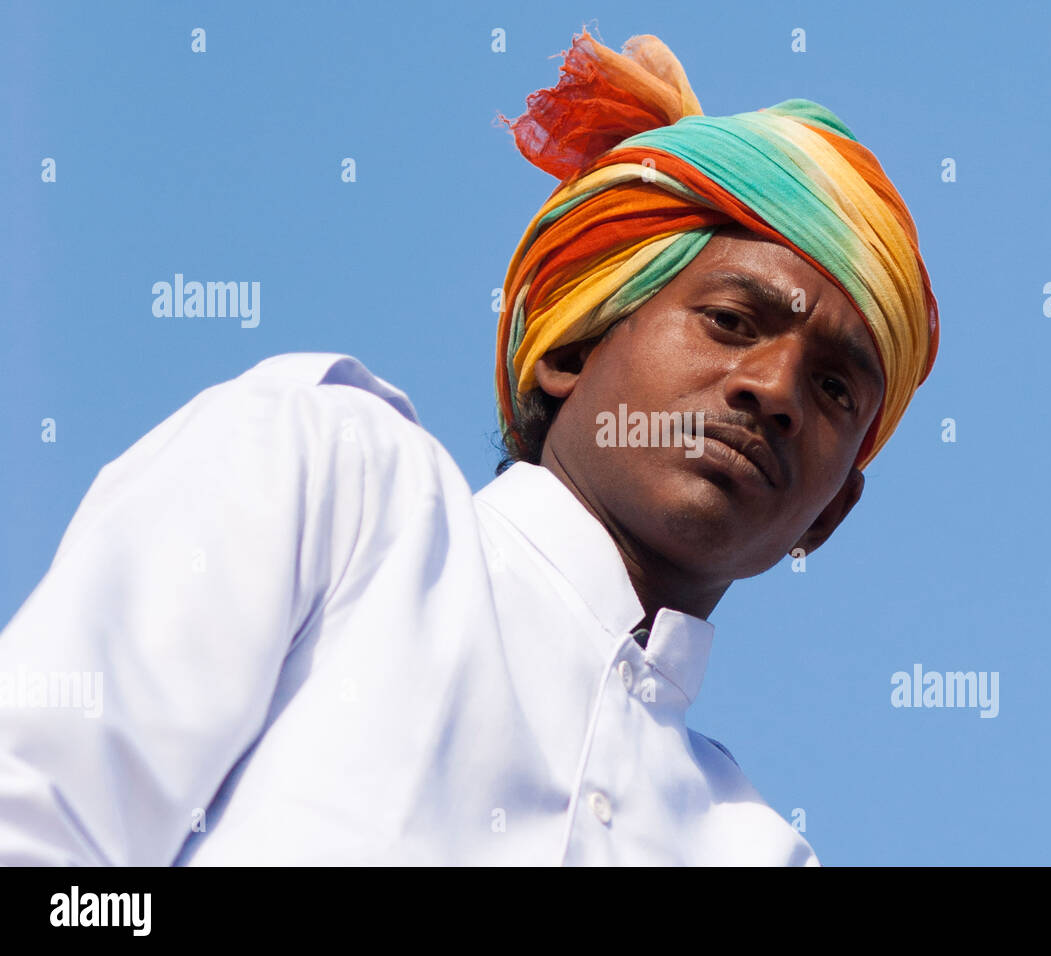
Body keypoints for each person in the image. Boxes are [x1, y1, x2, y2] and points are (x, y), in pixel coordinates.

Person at [0, 27, 938, 865]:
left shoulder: (754, 847)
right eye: (732, 321)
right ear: (573, 342)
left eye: (832, 389)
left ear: (833, 511)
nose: (772, 391)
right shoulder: (340, 478)